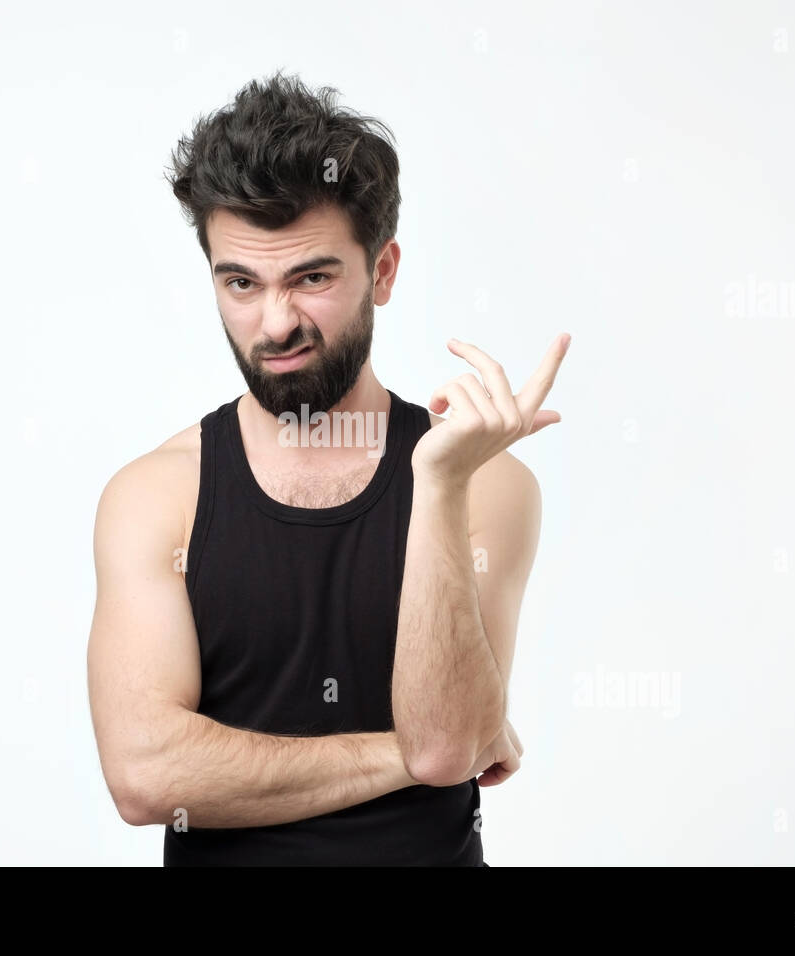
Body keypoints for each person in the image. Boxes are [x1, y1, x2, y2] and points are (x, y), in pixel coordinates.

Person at [86, 70, 570, 865]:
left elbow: (448, 747)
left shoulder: (483, 483)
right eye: (241, 282)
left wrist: (439, 486)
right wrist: (401, 754)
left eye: (311, 278)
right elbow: (146, 778)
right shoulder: (155, 497)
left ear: (381, 270)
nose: (275, 323)